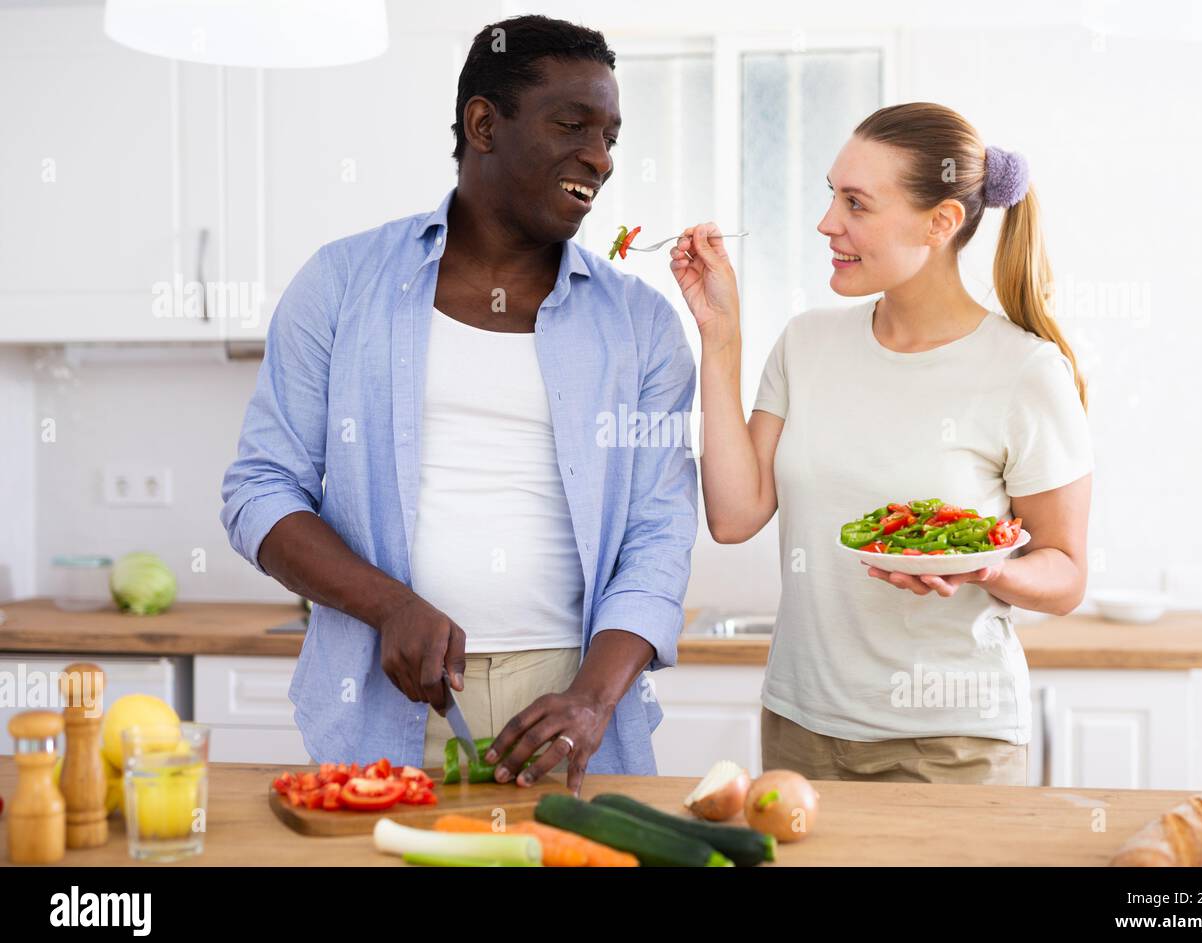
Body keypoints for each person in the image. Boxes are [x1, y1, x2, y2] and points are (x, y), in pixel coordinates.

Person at [220, 15, 697, 794]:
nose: (600, 158)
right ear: (484, 123)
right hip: (386, 690)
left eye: (610, 135)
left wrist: (590, 699)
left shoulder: (641, 325)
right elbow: (260, 491)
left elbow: (659, 534)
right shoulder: (342, 284)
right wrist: (391, 608)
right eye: (572, 125)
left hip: (570, 702)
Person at [669, 102, 1092, 784]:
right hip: (800, 727)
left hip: (952, 742)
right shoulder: (806, 344)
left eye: (856, 203)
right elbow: (733, 515)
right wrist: (720, 334)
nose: (827, 222)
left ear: (941, 223)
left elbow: (1065, 573)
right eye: (831, 195)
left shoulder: (1025, 372)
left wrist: (986, 569)